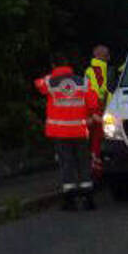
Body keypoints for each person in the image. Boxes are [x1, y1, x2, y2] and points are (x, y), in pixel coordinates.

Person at [35, 54, 100, 211]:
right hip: (80, 130)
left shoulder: (51, 82)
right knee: (83, 163)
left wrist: (54, 75)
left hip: (60, 132)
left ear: (53, 65)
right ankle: (88, 198)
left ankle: (69, 200)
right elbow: (92, 103)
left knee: (66, 164)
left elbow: (38, 84)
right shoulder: (83, 82)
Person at [84, 45, 111, 181]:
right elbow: (101, 92)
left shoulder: (90, 71)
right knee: (99, 144)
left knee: (95, 145)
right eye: (107, 55)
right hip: (103, 111)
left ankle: (96, 173)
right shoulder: (105, 70)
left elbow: (89, 92)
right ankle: (97, 174)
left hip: (94, 112)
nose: (109, 58)